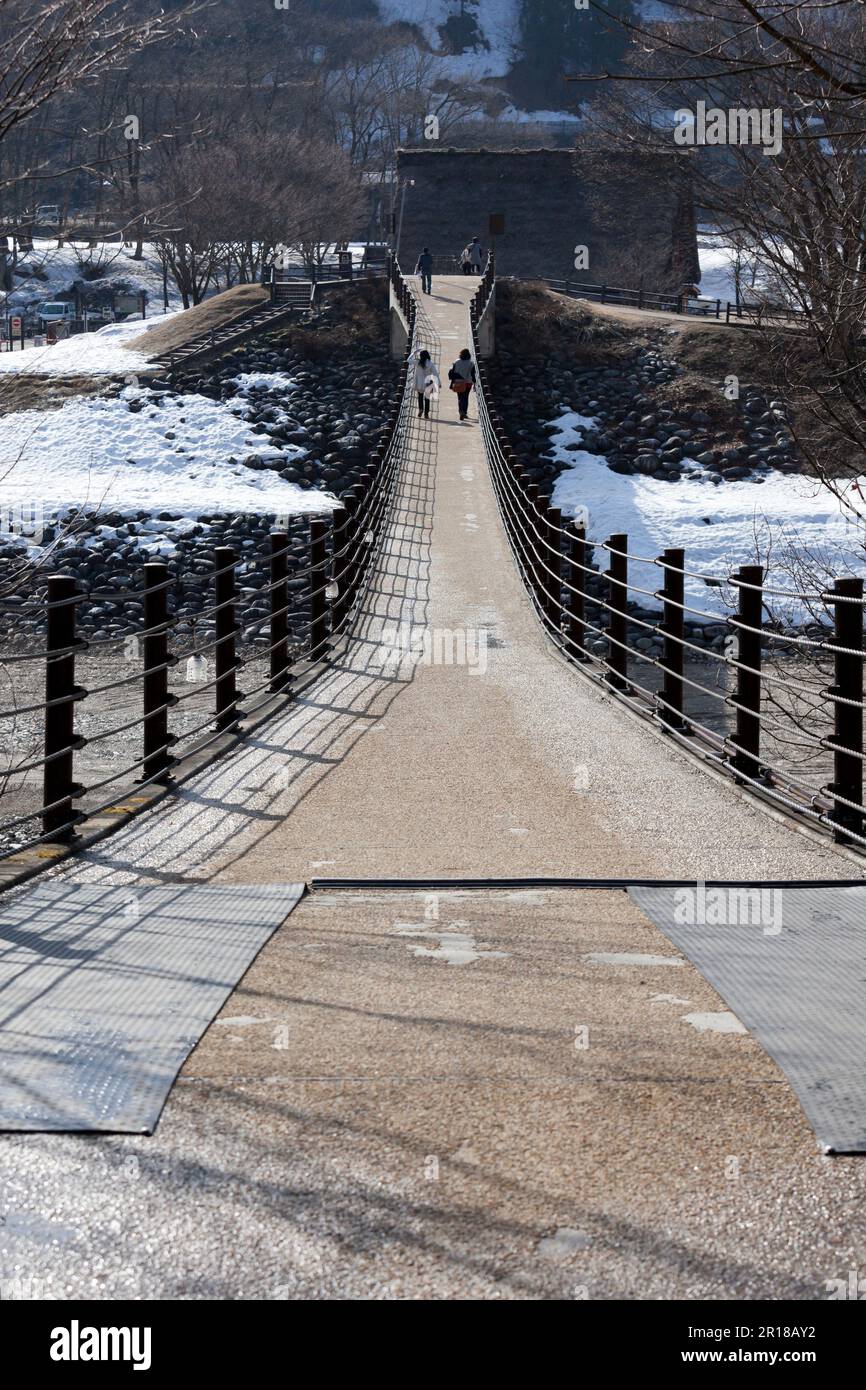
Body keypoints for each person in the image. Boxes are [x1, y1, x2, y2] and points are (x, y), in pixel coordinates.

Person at [409, 347, 440, 418]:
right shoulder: (430, 363)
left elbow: (408, 360)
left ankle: (420, 409)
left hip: (419, 383)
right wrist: (439, 383)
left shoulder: (417, 362)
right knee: (427, 398)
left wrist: (414, 353)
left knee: (420, 397)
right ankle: (426, 413)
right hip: (428, 383)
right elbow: (435, 374)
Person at [448, 347, 476, 421]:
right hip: (468, 382)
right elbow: (473, 374)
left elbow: (453, 372)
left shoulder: (456, 362)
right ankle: (464, 412)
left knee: (460, 397)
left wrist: (452, 383)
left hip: (458, 382)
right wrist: (475, 383)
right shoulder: (471, 363)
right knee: (466, 397)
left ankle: (461, 411)